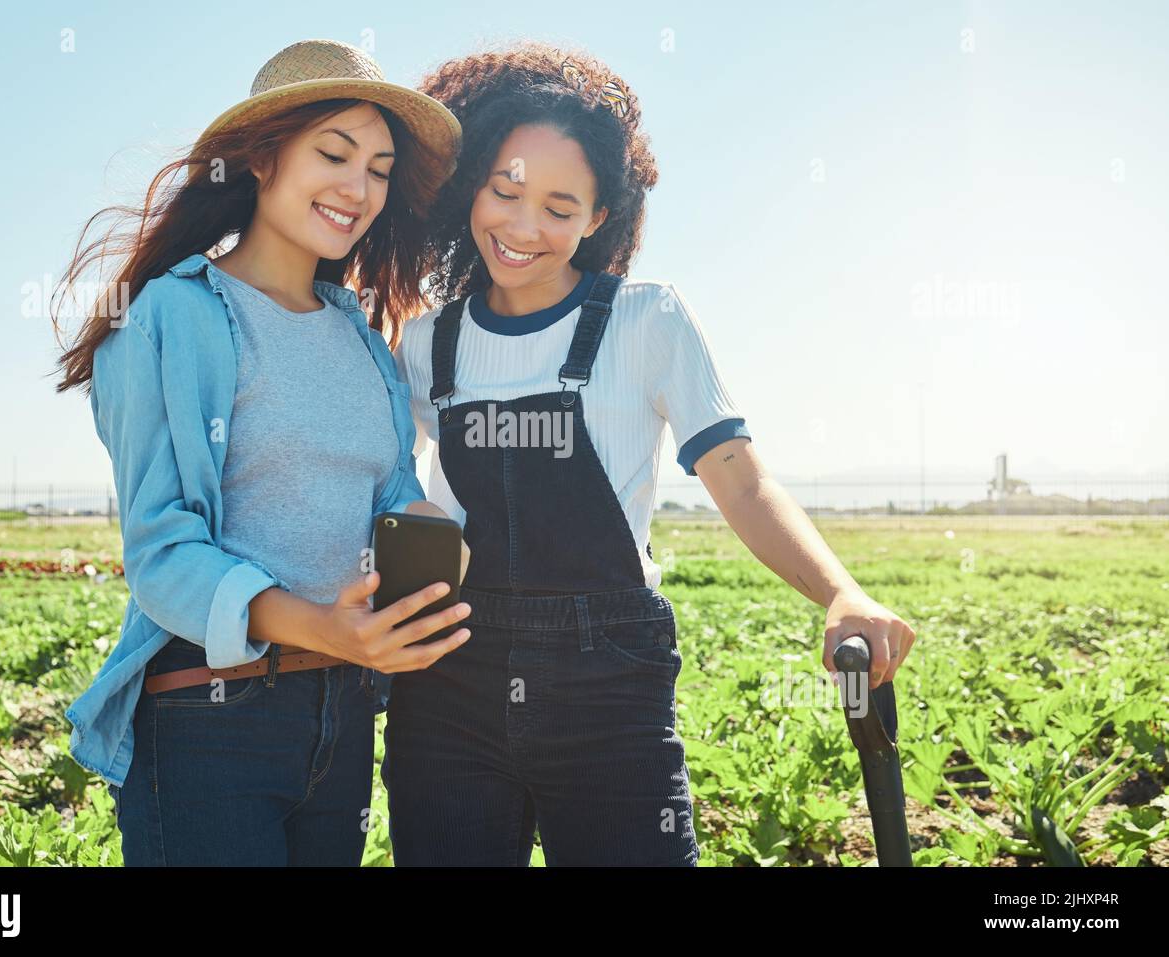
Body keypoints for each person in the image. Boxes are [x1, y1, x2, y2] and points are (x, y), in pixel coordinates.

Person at [384, 41, 918, 865]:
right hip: (449, 682)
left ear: (600, 219)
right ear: (472, 189)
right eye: (507, 191)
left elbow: (740, 479)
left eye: (562, 208)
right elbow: (373, 481)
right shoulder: (426, 344)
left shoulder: (646, 322)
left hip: (608, 687)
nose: (525, 227)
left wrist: (840, 591)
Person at [54, 39, 471, 865]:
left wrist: (454, 542)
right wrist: (323, 623)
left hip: (342, 714)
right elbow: (164, 553)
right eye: (335, 153)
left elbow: (391, 490)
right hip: (209, 719)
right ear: (261, 155)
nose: (358, 188)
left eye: (380, 168)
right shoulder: (171, 317)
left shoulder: (359, 333)